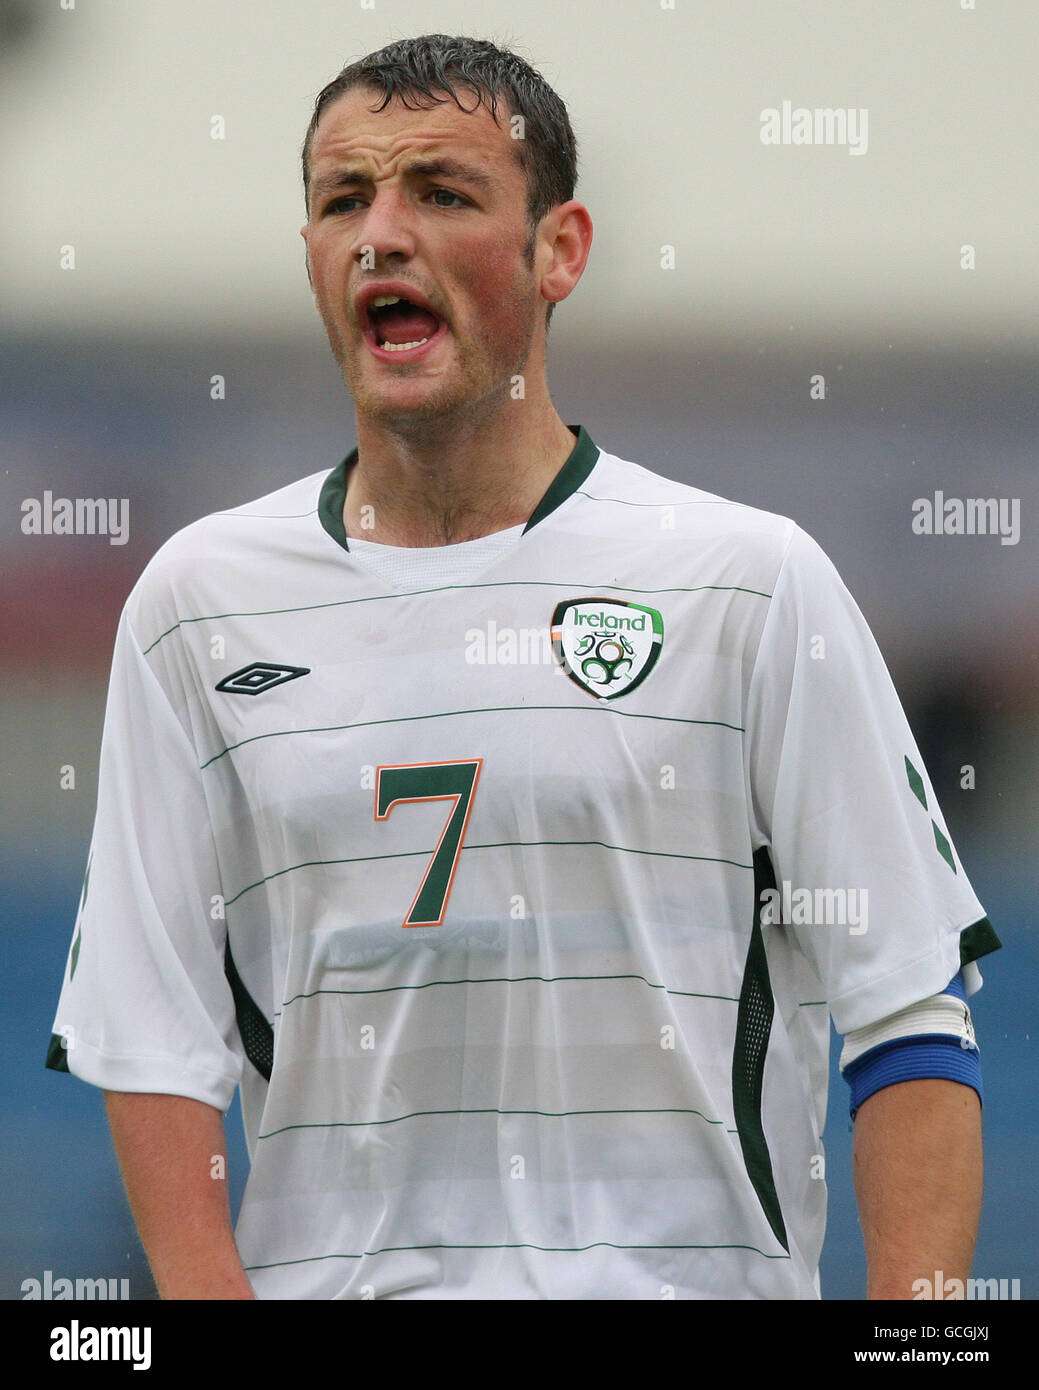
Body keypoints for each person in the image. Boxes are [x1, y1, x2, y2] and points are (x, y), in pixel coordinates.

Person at [47, 34, 999, 1301]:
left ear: (561, 250)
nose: (381, 235)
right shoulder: (194, 605)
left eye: (440, 192)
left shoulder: (749, 584)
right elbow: (153, 1042)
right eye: (344, 201)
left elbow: (908, 1013)